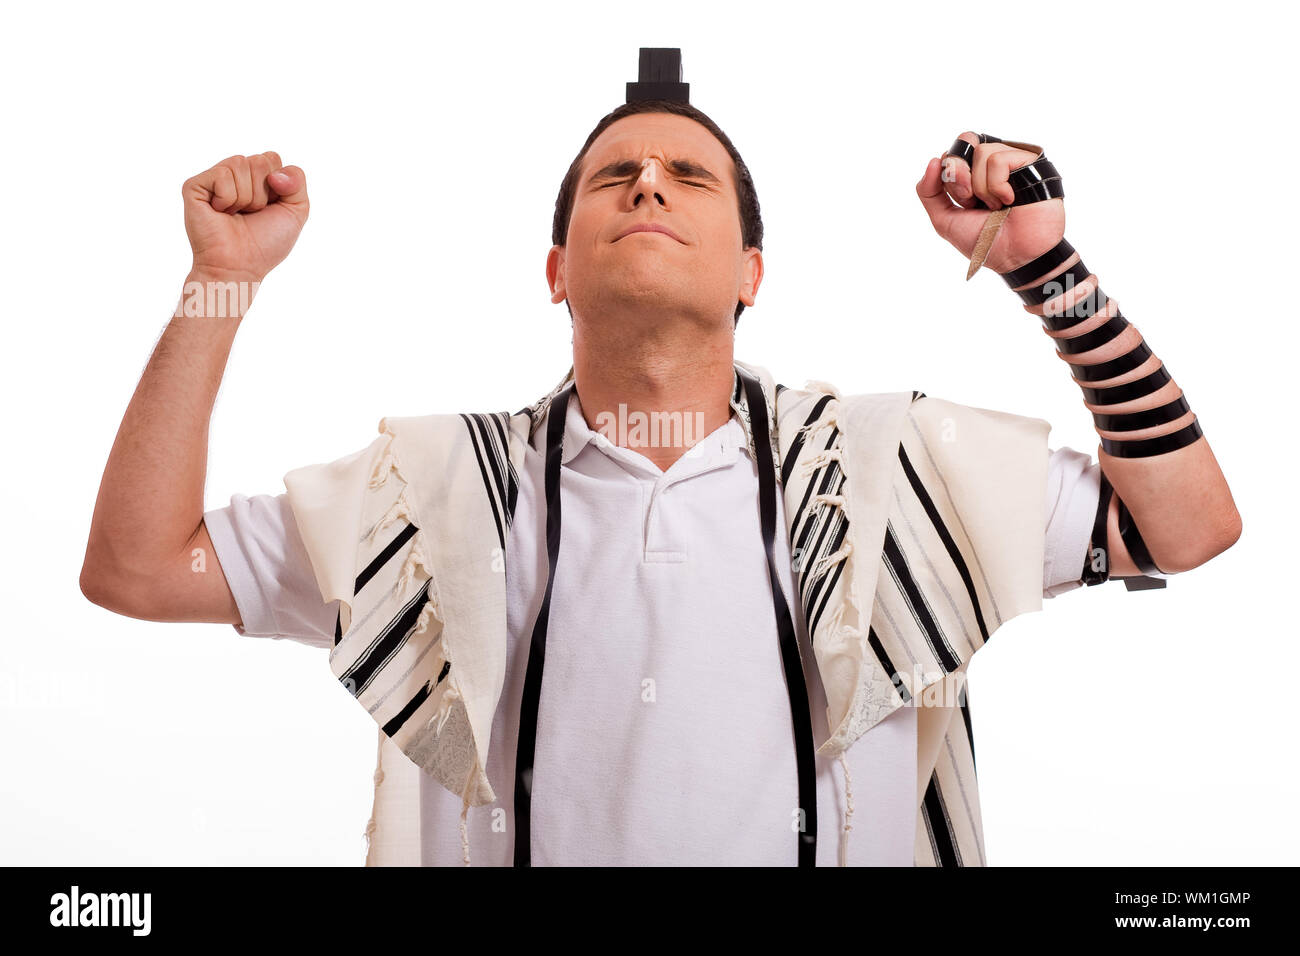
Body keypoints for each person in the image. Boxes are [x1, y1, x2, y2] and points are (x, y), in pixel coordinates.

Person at [79, 98, 1242, 866]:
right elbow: (137, 566)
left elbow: (1182, 526)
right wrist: (220, 279)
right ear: (555, 269)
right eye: (613, 177)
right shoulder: (430, 497)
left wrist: (1049, 270)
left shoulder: (897, 474)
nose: (646, 184)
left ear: (750, 270)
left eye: (686, 174)